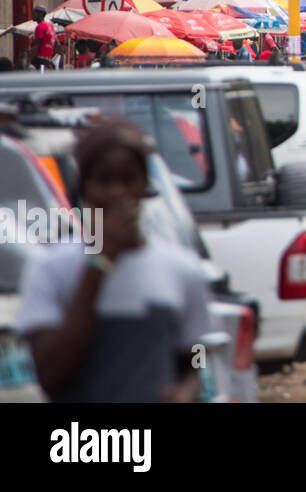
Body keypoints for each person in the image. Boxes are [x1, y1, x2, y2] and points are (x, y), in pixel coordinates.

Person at [17, 123, 214, 401]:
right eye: (104, 181)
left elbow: (196, 354)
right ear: (84, 189)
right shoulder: (51, 268)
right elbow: (50, 375)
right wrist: (99, 261)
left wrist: (187, 388)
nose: (116, 192)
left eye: (128, 179)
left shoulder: (181, 268)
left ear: (144, 185)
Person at [32, 5, 56, 70]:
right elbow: (57, 45)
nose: (32, 15)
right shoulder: (50, 27)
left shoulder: (40, 27)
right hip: (48, 60)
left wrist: (30, 60)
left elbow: (37, 45)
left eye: (34, 13)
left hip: (39, 60)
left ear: (40, 14)